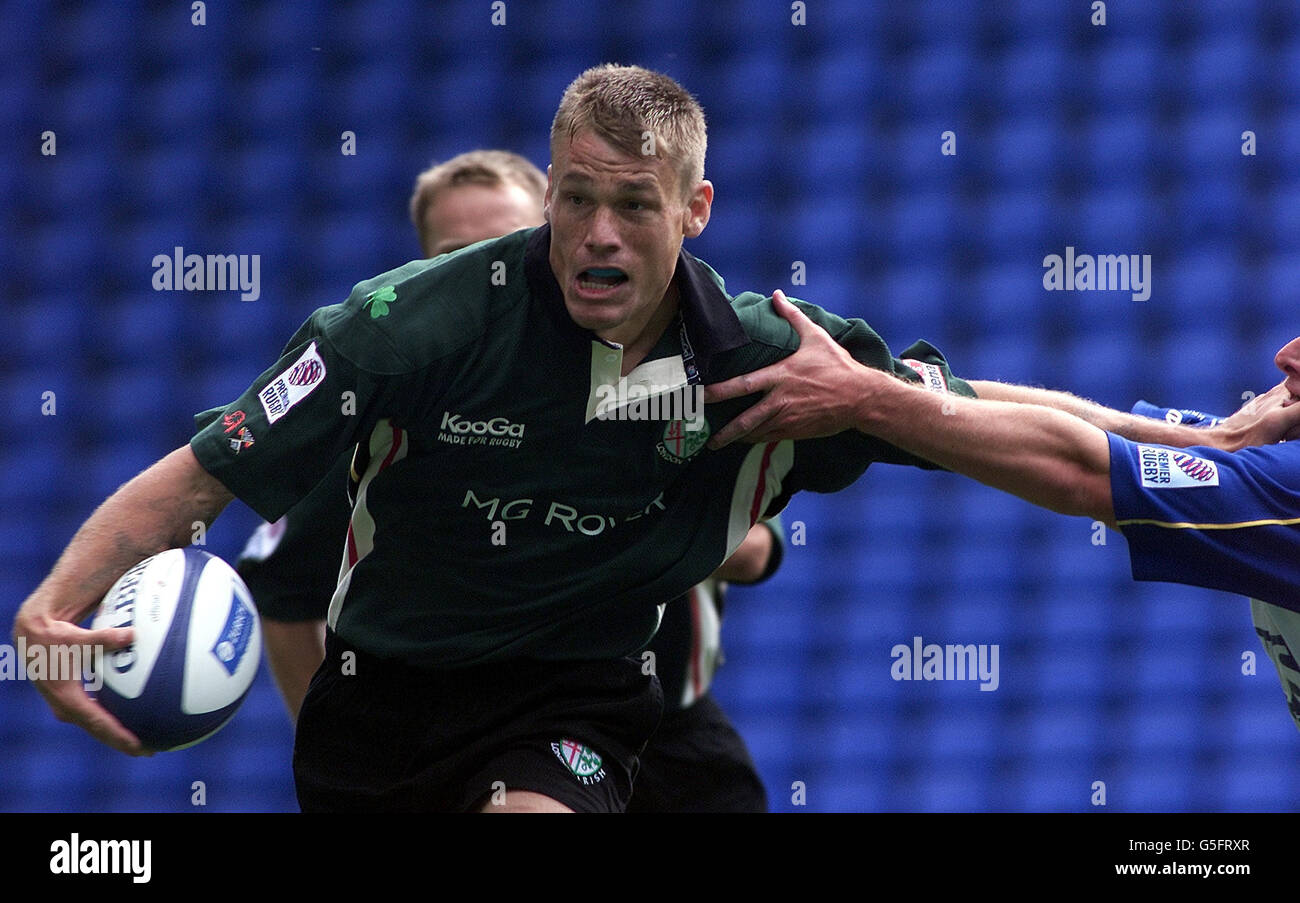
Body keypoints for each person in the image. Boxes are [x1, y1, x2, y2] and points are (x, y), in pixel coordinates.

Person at [14, 63, 1033, 813]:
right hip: (391, 724)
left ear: (687, 211)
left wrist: (1146, 444)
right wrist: (55, 608)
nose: (592, 237)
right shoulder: (396, 371)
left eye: (629, 205)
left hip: (617, 714)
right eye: (573, 205)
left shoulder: (712, 365)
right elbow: (216, 501)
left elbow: (943, 405)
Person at [237, 147, 782, 811]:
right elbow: (287, 595)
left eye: (505, 242)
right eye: (452, 253)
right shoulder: (393, 412)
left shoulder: (665, 374)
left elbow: (756, 550)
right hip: (479, 735)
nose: (480, 269)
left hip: (665, 736)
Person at [706, 293, 1300, 730]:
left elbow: (1086, 470)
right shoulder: (1268, 454)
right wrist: (892, 383)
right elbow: (1120, 440)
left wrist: (866, 398)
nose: (1284, 356)